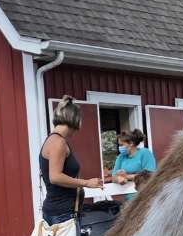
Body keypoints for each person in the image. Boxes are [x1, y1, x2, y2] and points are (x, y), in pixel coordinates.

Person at [39, 96, 102, 225]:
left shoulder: (54, 140)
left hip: (61, 212)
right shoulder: (58, 142)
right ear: (74, 120)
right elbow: (55, 177)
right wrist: (86, 183)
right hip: (62, 214)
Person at [104, 129, 156, 200]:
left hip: (145, 196)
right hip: (128, 198)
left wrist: (126, 176)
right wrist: (119, 179)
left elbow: (148, 175)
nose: (120, 147)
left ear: (131, 143)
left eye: (121, 145)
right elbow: (113, 177)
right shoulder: (121, 157)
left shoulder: (145, 153)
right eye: (119, 145)